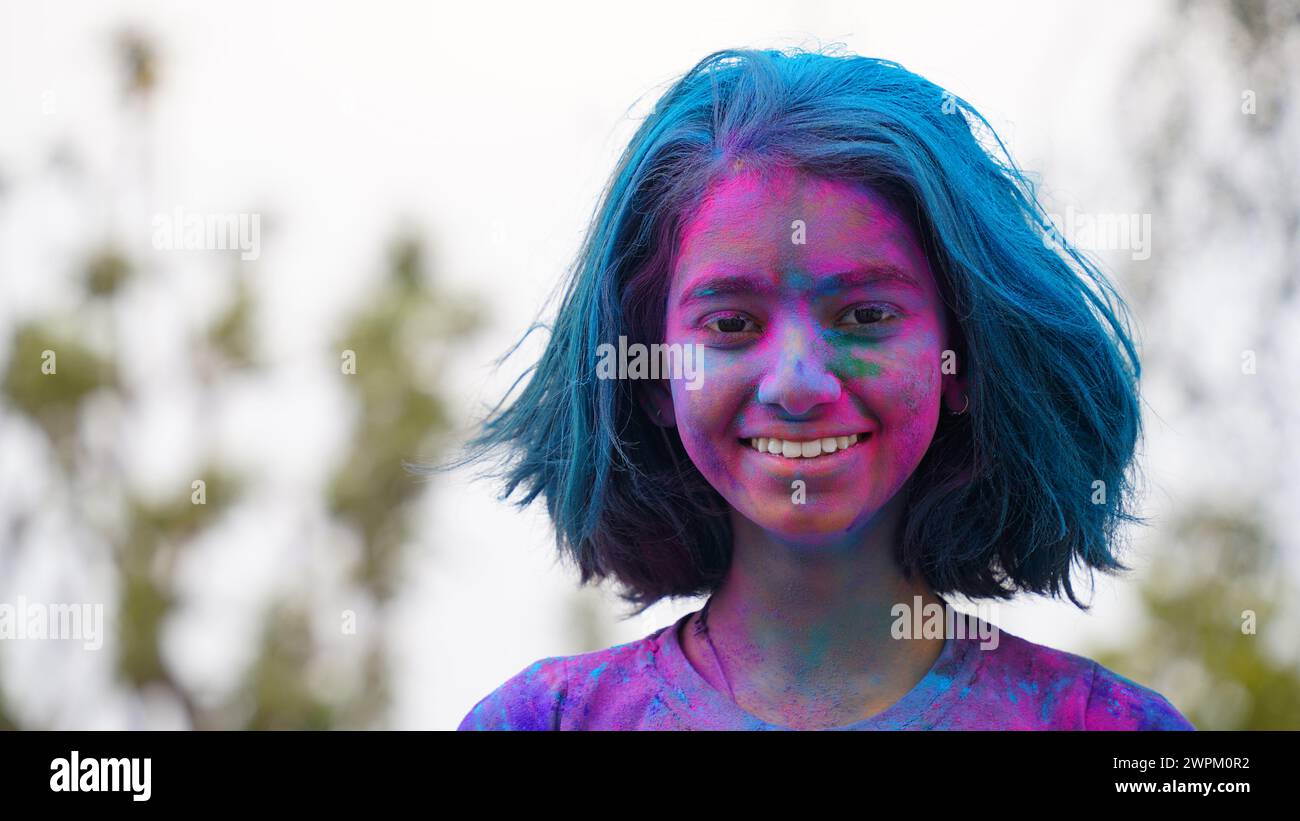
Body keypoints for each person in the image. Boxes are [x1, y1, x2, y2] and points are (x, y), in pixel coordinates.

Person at [453, 47, 1193, 730]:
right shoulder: (544, 721)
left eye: (867, 316)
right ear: (649, 373)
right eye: (732, 323)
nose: (798, 383)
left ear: (963, 360)